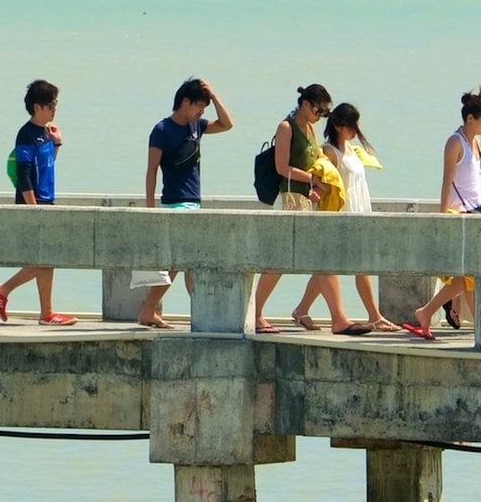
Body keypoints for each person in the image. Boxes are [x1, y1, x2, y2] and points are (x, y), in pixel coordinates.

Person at [253, 84, 372, 335]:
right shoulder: (287, 127)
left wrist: (317, 185)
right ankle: (255, 314)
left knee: (321, 258)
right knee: (278, 262)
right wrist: (312, 180)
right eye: (318, 110)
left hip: (306, 200)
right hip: (288, 200)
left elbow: (316, 162)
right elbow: (282, 167)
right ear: (306, 104)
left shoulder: (311, 129)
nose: (320, 116)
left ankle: (338, 319)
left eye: (325, 113)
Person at [290, 101, 401, 333]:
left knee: (346, 266)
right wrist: (316, 193)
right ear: (340, 126)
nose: (355, 131)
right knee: (333, 266)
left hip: (359, 210)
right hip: (340, 214)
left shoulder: (351, 149)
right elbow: (323, 178)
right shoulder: (330, 151)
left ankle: (302, 311)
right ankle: (368, 316)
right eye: (352, 126)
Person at [134, 78, 233, 329]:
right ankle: (157, 311)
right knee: (182, 262)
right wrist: (149, 208)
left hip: (193, 202)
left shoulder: (196, 126)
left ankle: (195, 314)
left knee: (188, 263)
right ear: (185, 102)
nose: (201, 112)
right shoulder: (162, 130)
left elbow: (227, 124)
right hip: (176, 204)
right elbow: (151, 170)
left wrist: (213, 93)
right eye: (199, 105)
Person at [409, 91, 481, 338]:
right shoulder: (455, 142)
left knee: (469, 278)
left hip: (477, 213)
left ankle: (427, 312)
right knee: (469, 278)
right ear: (470, 118)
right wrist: (443, 216)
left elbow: (475, 177)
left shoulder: (475, 141)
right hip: (459, 214)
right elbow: (447, 180)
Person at [0, 79, 76, 325]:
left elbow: (46, 166)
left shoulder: (45, 133)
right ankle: (7, 292)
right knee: (44, 260)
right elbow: (25, 175)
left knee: (44, 260)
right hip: (34, 203)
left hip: (47, 201)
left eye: (55, 104)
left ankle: (44, 312)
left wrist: (57, 143)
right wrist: (33, 209)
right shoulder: (26, 135)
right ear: (37, 107)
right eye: (50, 105)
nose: (54, 109)